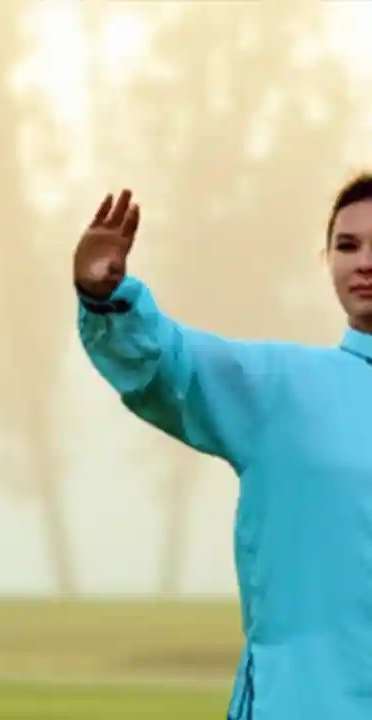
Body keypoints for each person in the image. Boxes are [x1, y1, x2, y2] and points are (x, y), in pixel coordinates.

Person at [75, 179, 372, 719]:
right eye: (347, 246)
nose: (364, 263)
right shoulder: (283, 390)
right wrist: (106, 301)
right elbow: (171, 364)